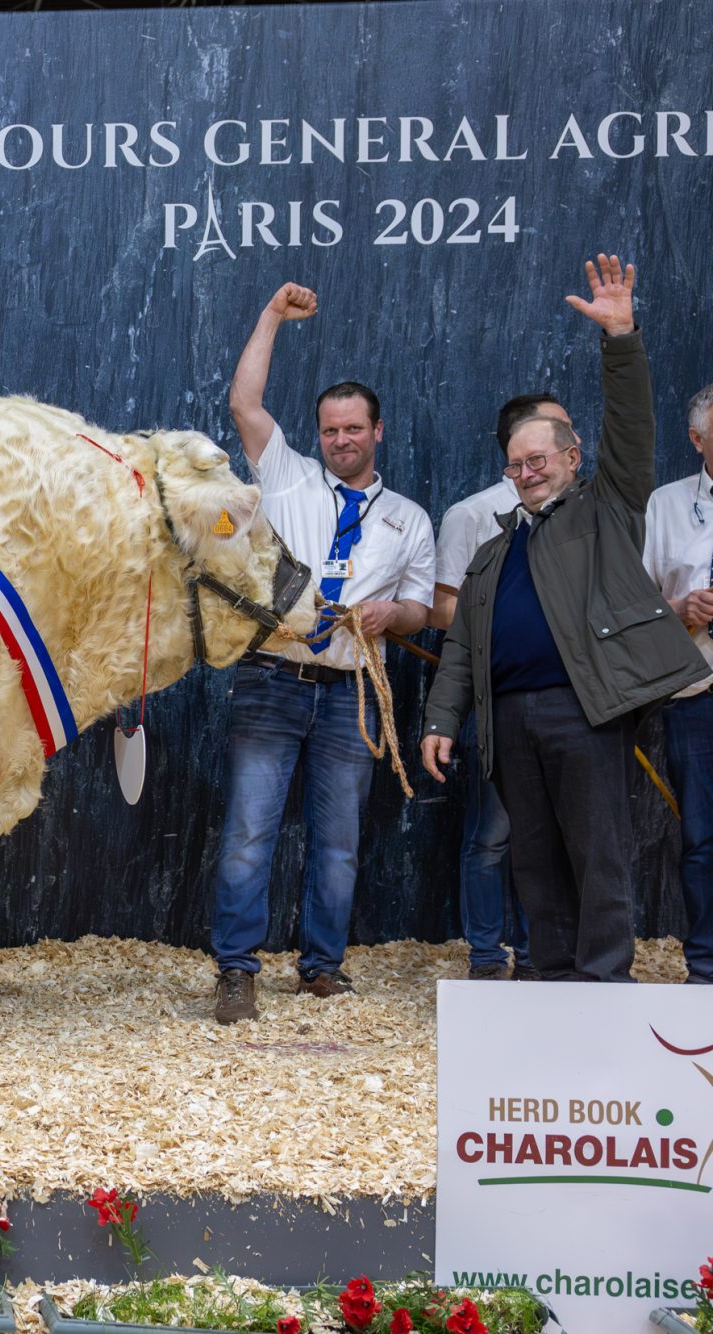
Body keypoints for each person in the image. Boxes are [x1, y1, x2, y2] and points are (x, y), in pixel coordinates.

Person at [423, 255, 709, 983]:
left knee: (598, 853)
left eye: (539, 459)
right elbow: (461, 648)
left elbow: (633, 427)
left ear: (573, 457)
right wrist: (440, 722)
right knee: (535, 859)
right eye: (515, 464)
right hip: (509, 721)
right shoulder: (491, 551)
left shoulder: (606, 508)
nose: (527, 472)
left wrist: (621, 338)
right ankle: (549, 981)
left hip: (587, 711)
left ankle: (605, 983)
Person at [210, 282, 436, 1024]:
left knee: (337, 843)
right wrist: (271, 314)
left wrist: (391, 613)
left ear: (377, 431)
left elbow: (425, 608)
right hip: (272, 678)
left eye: (353, 429)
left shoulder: (408, 518)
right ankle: (237, 970)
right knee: (250, 831)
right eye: (330, 430)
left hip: (353, 691)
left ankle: (320, 968)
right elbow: (245, 404)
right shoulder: (287, 476)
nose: (341, 440)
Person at [429, 397, 569, 981]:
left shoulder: (587, 515)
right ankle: (488, 957)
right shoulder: (473, 515)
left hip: (575, 705)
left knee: (562, 841)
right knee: (493, 838)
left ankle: (548, 958)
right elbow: (443, 611)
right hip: (502, 702)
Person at [641, 381, 713, 984]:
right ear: (697, 440)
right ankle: (707, 967)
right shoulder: (664, 504)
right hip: (698, 691)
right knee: (703, 837)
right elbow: (634, 603)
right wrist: (680, 609)